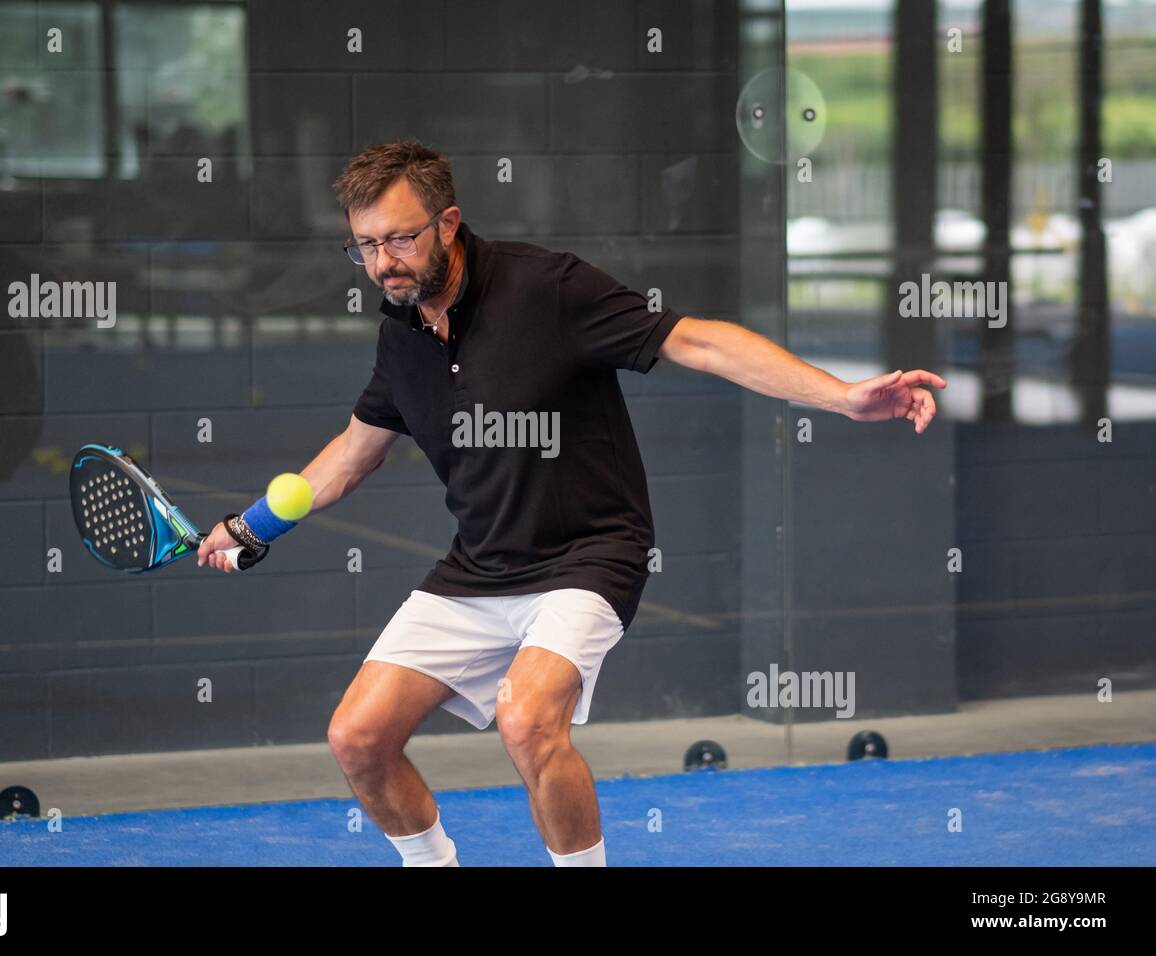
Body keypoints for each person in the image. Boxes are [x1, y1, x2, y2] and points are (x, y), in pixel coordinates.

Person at [196, 139, 945, 867]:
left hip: (589, 554)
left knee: (526, 719)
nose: (383, 262)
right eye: (364, 245)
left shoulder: (547, 288)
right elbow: (354, 453)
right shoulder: (403, 332)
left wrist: (842, 396)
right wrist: (250, 526)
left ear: (448, 224)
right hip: (481, 566)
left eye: (400, 238)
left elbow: (700, 344)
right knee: (357, 737)